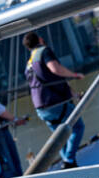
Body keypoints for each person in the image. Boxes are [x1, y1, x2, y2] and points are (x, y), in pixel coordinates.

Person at [22, 31, 85, 169]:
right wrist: (75, 75)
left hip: (41, 106)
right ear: (40, 39)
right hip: (56, 102)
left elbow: (46, 79)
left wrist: (74, 95)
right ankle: (69, 160)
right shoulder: (44, 51)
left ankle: (68, 162)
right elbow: (55, 69)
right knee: (78, 127)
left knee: (58, 136)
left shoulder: (30, 61)